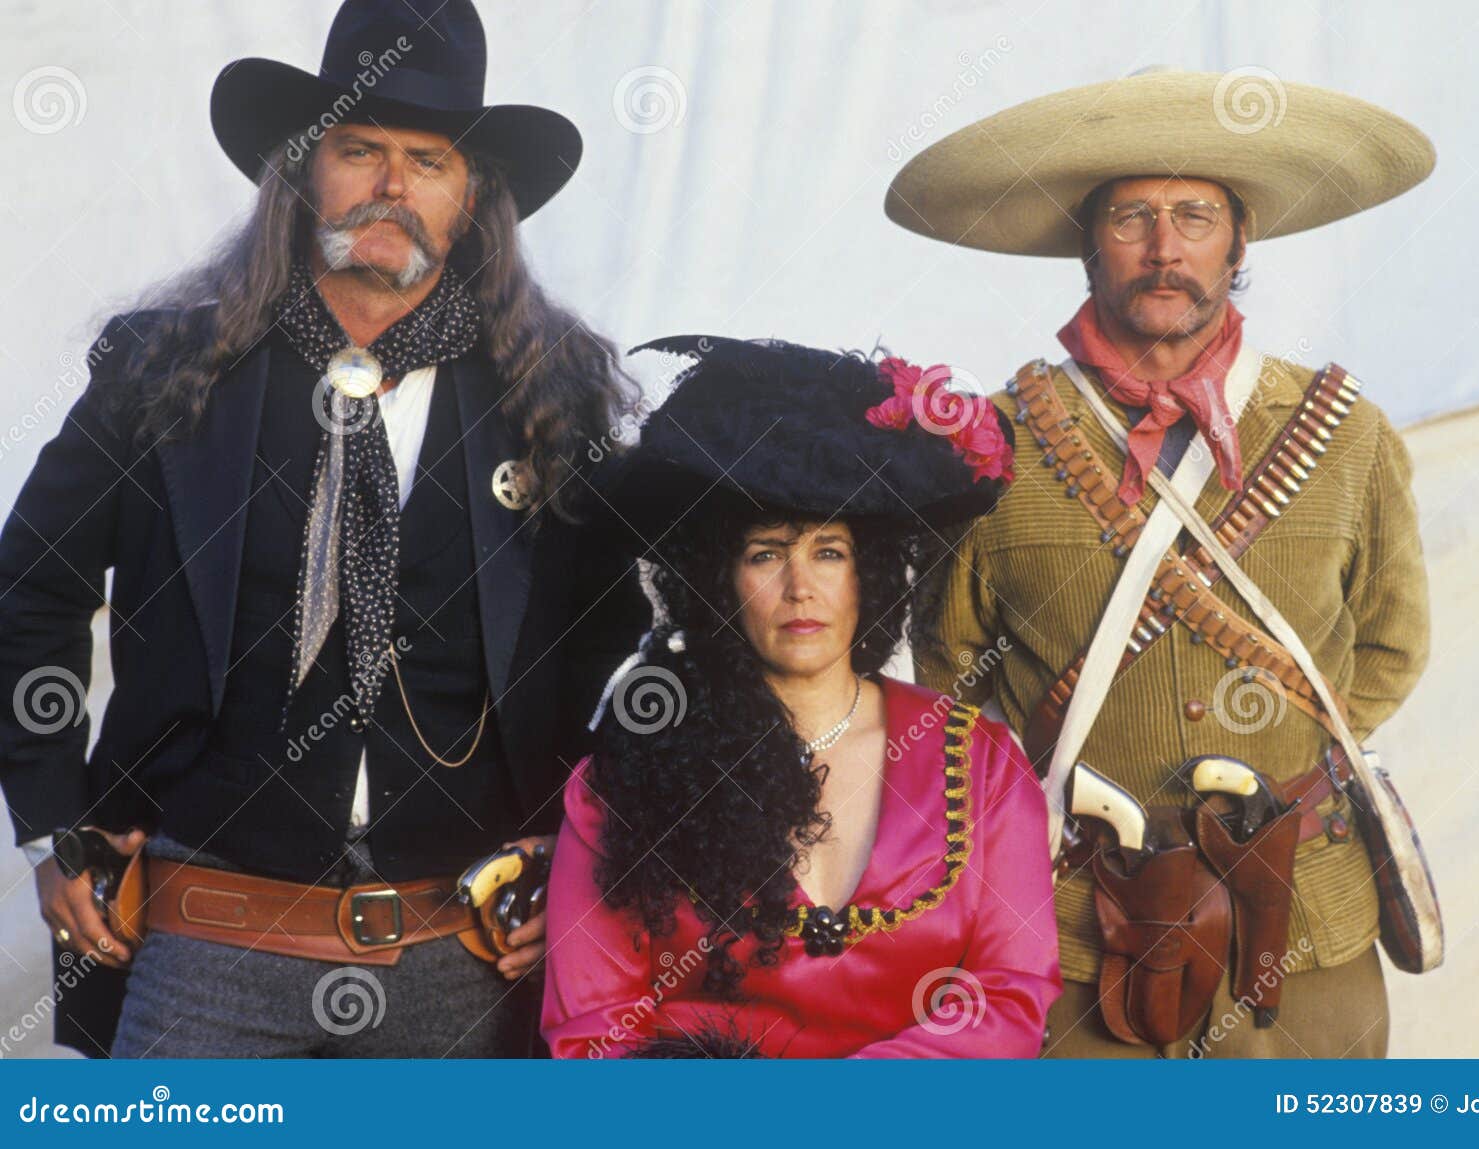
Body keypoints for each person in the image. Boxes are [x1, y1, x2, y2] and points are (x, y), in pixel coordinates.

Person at [0, 0, 648, 1057]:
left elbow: (612, 640)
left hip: (461, 947)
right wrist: (52, 826)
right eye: (360, 148)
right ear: (303, 173)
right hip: (204, 932)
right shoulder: (164, 372)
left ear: (472, 195)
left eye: (428, 159)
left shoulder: (554, 394)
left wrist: (574, 849)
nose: (392, 184)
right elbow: (30, 591)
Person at [887, 69, 1434, 1057]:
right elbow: (948, 676)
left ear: (1238, 242)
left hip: (1299, 915)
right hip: (1074, 923)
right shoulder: (994, 445)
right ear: (1087, 243)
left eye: (1194, 216)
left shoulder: (1342, 435)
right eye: (1132, 217)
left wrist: (1278, 774)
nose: (1165, 248)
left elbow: (1393, 643)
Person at [540, 336, 1061, 1057]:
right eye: (764, 553)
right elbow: (591, 1029)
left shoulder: (985, 765)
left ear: (869, 574)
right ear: (717, 582)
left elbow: (1009, 996)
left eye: (828, 551)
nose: (799, 587)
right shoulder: (628, 775)